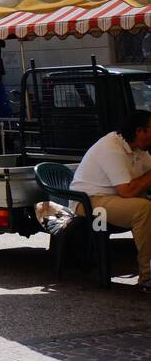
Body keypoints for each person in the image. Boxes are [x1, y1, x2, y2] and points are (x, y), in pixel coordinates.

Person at [71, 110, 151, 294]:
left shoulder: (137, 148)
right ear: (140, 131)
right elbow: (127, 191)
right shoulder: (111, 148)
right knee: (144, 209)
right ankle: (147, 276)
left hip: (111, 198)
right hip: (89, 203)